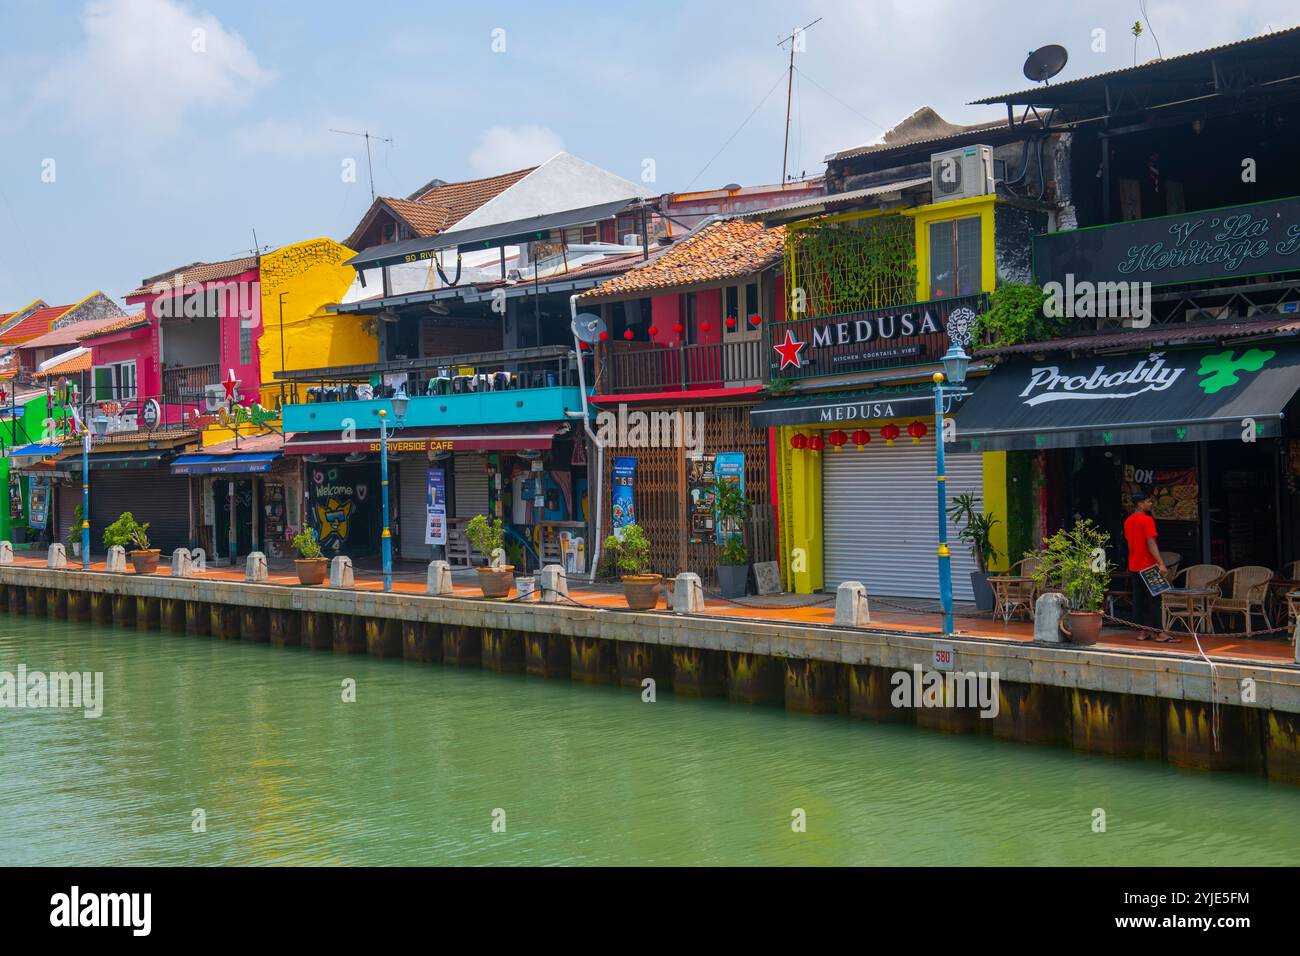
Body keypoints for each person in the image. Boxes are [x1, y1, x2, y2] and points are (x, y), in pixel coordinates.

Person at [1124, 492, 1173, 641]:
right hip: (1148, 566)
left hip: (1134, 565)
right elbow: (1151, 543)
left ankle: (1142, 631)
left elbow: (1129, 544)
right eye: (1148, 501)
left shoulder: (1128, 521)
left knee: (1138, 600)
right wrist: (1161, 563)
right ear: (1140, 504)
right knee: (1155, 600)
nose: (1151, 504)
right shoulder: (1147, 520)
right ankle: (1159, 633)